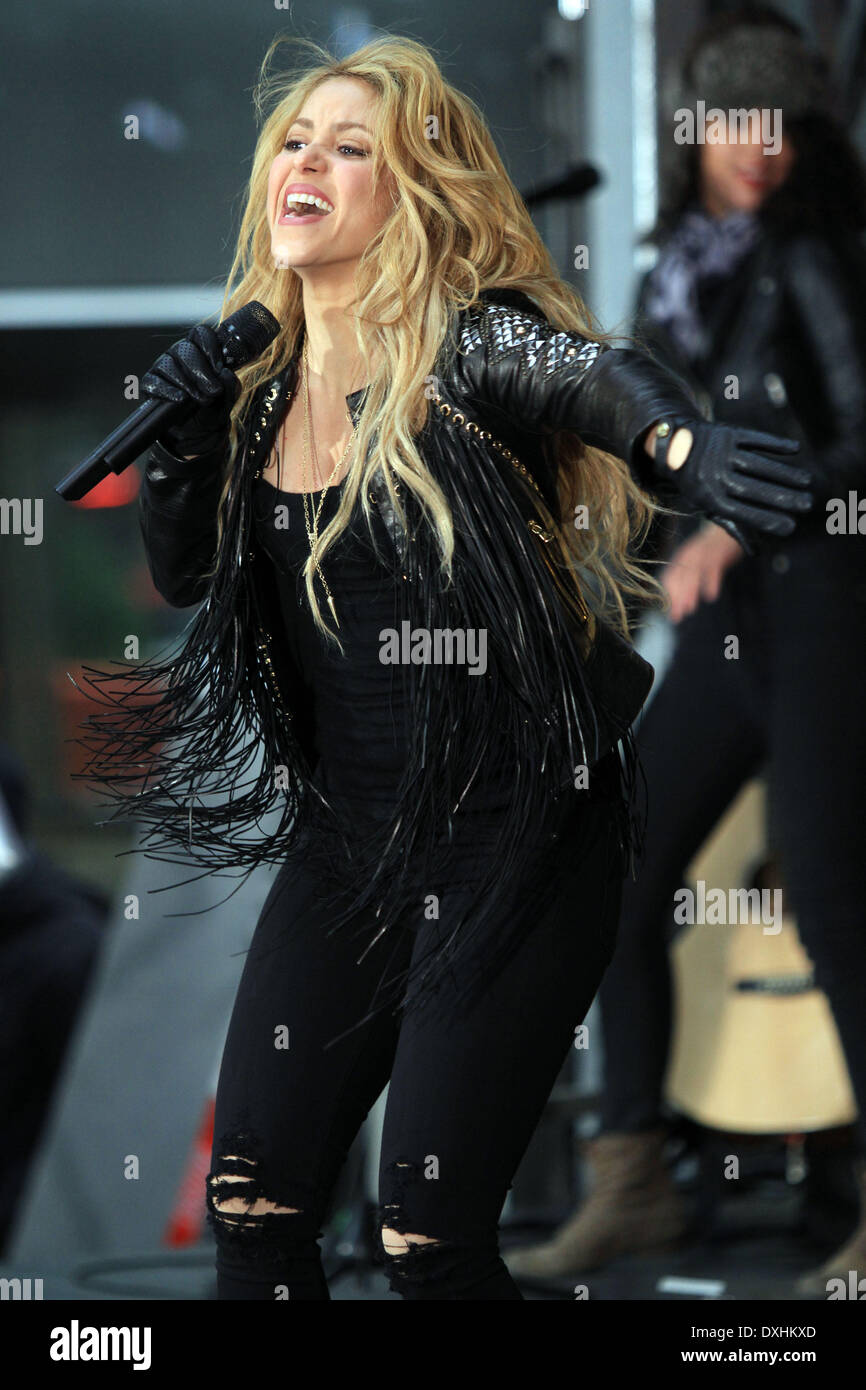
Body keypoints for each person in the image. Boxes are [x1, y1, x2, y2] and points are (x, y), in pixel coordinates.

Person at [73, 34, 813, 1300]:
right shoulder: (249, 401)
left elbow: (595, 385)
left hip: (517, 833)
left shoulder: (465, 351)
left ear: (411, 191)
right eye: (295, 142)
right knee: (253, 1204)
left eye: (350, 146)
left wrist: (678, 443)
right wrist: (188, 438)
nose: (307, 161)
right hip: (348, 840)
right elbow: (187, 572)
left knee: (424, 1237)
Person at [506, 7, 866, 1297]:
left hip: (820, 602)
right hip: (720, 621)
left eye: (779, 128)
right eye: (734, 126)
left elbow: (853, 447)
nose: (756, 153)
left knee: (831, 898)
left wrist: (739, 514)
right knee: (615, 867)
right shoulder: (669, 277)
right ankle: (634, 1180)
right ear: (698, 130)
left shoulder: (812, 260)